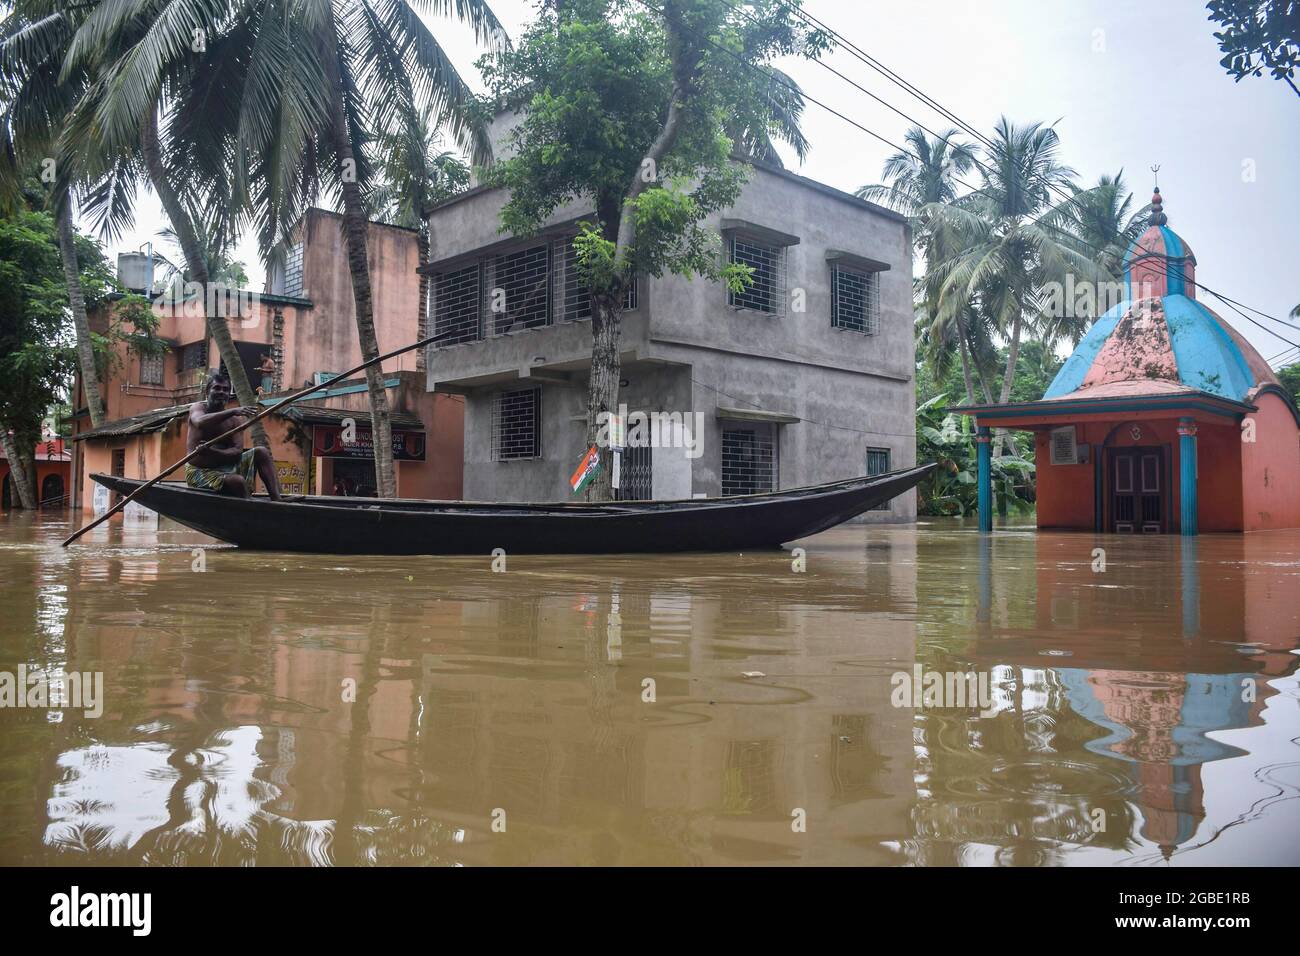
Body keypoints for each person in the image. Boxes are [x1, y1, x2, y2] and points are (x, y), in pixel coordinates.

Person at [186, 370, 283, 500]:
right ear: (207, 392)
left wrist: (213, 452)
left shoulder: (235, 421)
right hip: (199, 471)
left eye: (225, 390)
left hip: (227, 467)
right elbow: (200, 422)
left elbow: (237, 451)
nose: (221, 392)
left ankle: (277, 498)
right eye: (217, 388)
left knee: (261, 451)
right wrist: (233, 411)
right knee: (237, 482)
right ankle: (250, 507)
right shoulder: (198, 408)